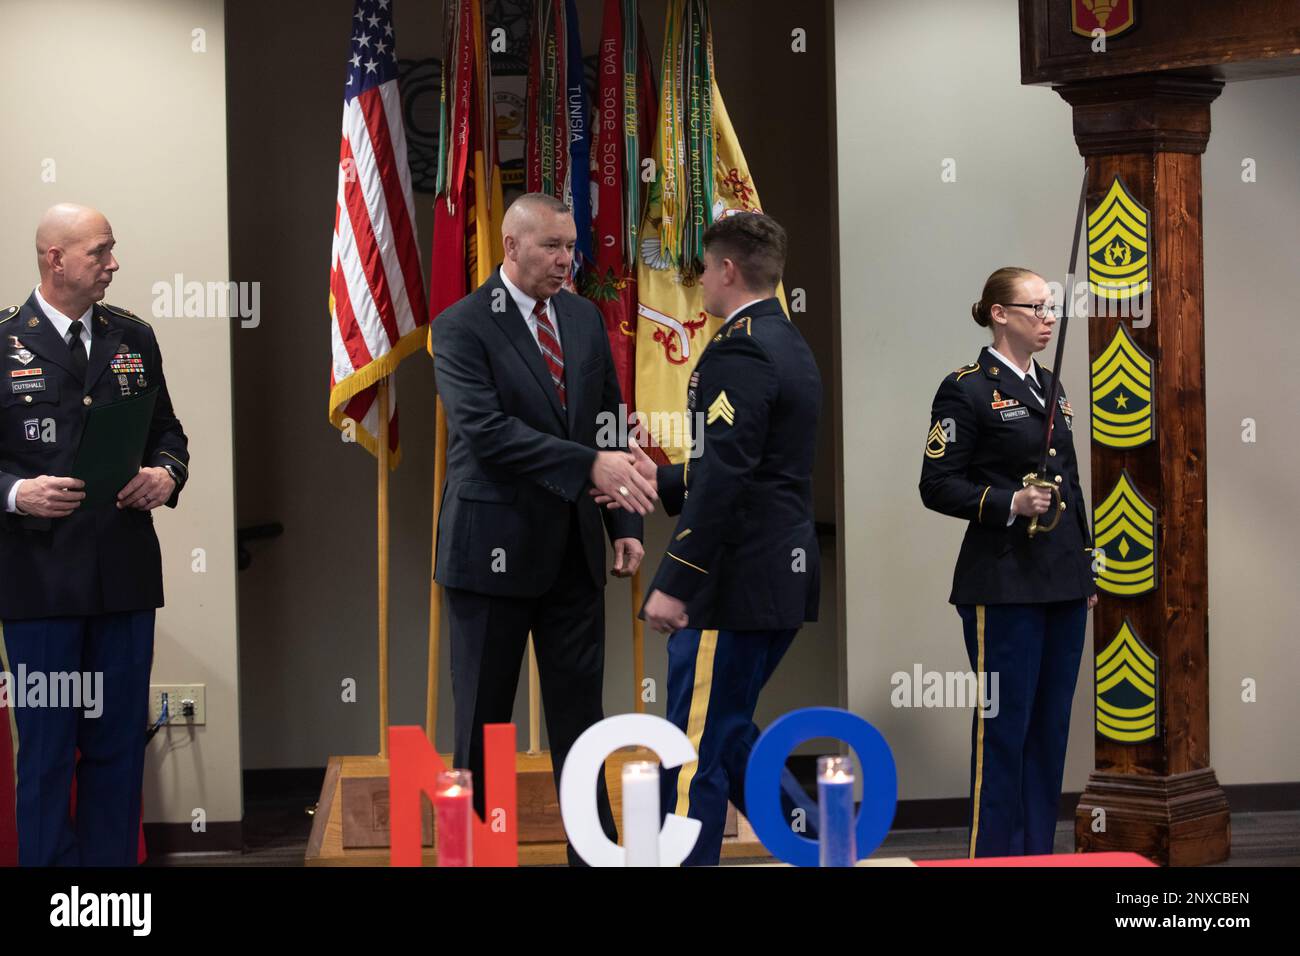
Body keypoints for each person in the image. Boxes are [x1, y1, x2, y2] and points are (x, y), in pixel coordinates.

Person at [430, 192, 653, 865]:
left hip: (574, 556)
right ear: (511, 246)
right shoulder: (461, 326)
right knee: (483, 729)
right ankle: (476, 857)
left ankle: (595, 858)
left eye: (571, 246)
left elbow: (608, 417)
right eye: (552, 246)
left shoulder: (583, 319)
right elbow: (488, 433)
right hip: (490, 556)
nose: (565, 260)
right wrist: (590, 466)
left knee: (582, 724)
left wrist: (623, 518)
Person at [603, 212, 821, 866]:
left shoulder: (739, 349)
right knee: (726, 728)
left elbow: (727, 476)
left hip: (731, 584)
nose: (698, 281)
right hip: (776, 577)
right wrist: (664, 478)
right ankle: (815, 840)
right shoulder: (788, 341)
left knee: (691, 747)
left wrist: (676, 582)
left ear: (727, 270)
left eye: (702, 269)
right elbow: (747, 463)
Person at [0, 203, 190, 865]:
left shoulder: (133, 337)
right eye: (99, 252)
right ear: (55, 259)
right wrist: (16, 493)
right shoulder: (4, 341)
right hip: (40, 585)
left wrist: (165, 474)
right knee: (47, 752)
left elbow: (168, 433)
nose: (113, 264)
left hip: (122, 578)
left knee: (117, 749)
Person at [918, 265, 1098, 858]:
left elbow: (1070, 481)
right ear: (999, 314)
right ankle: (994, 857)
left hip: (1062, 581)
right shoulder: (966, 389)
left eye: (1051, 307)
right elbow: (936, 484)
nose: (1049, 318)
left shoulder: (1052, 386)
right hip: (1004, 581)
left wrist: (1084, 564)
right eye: (1036, 307)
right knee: (1005, 731)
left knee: (1049, 732)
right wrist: (1009, 503)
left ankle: (1037, 855)